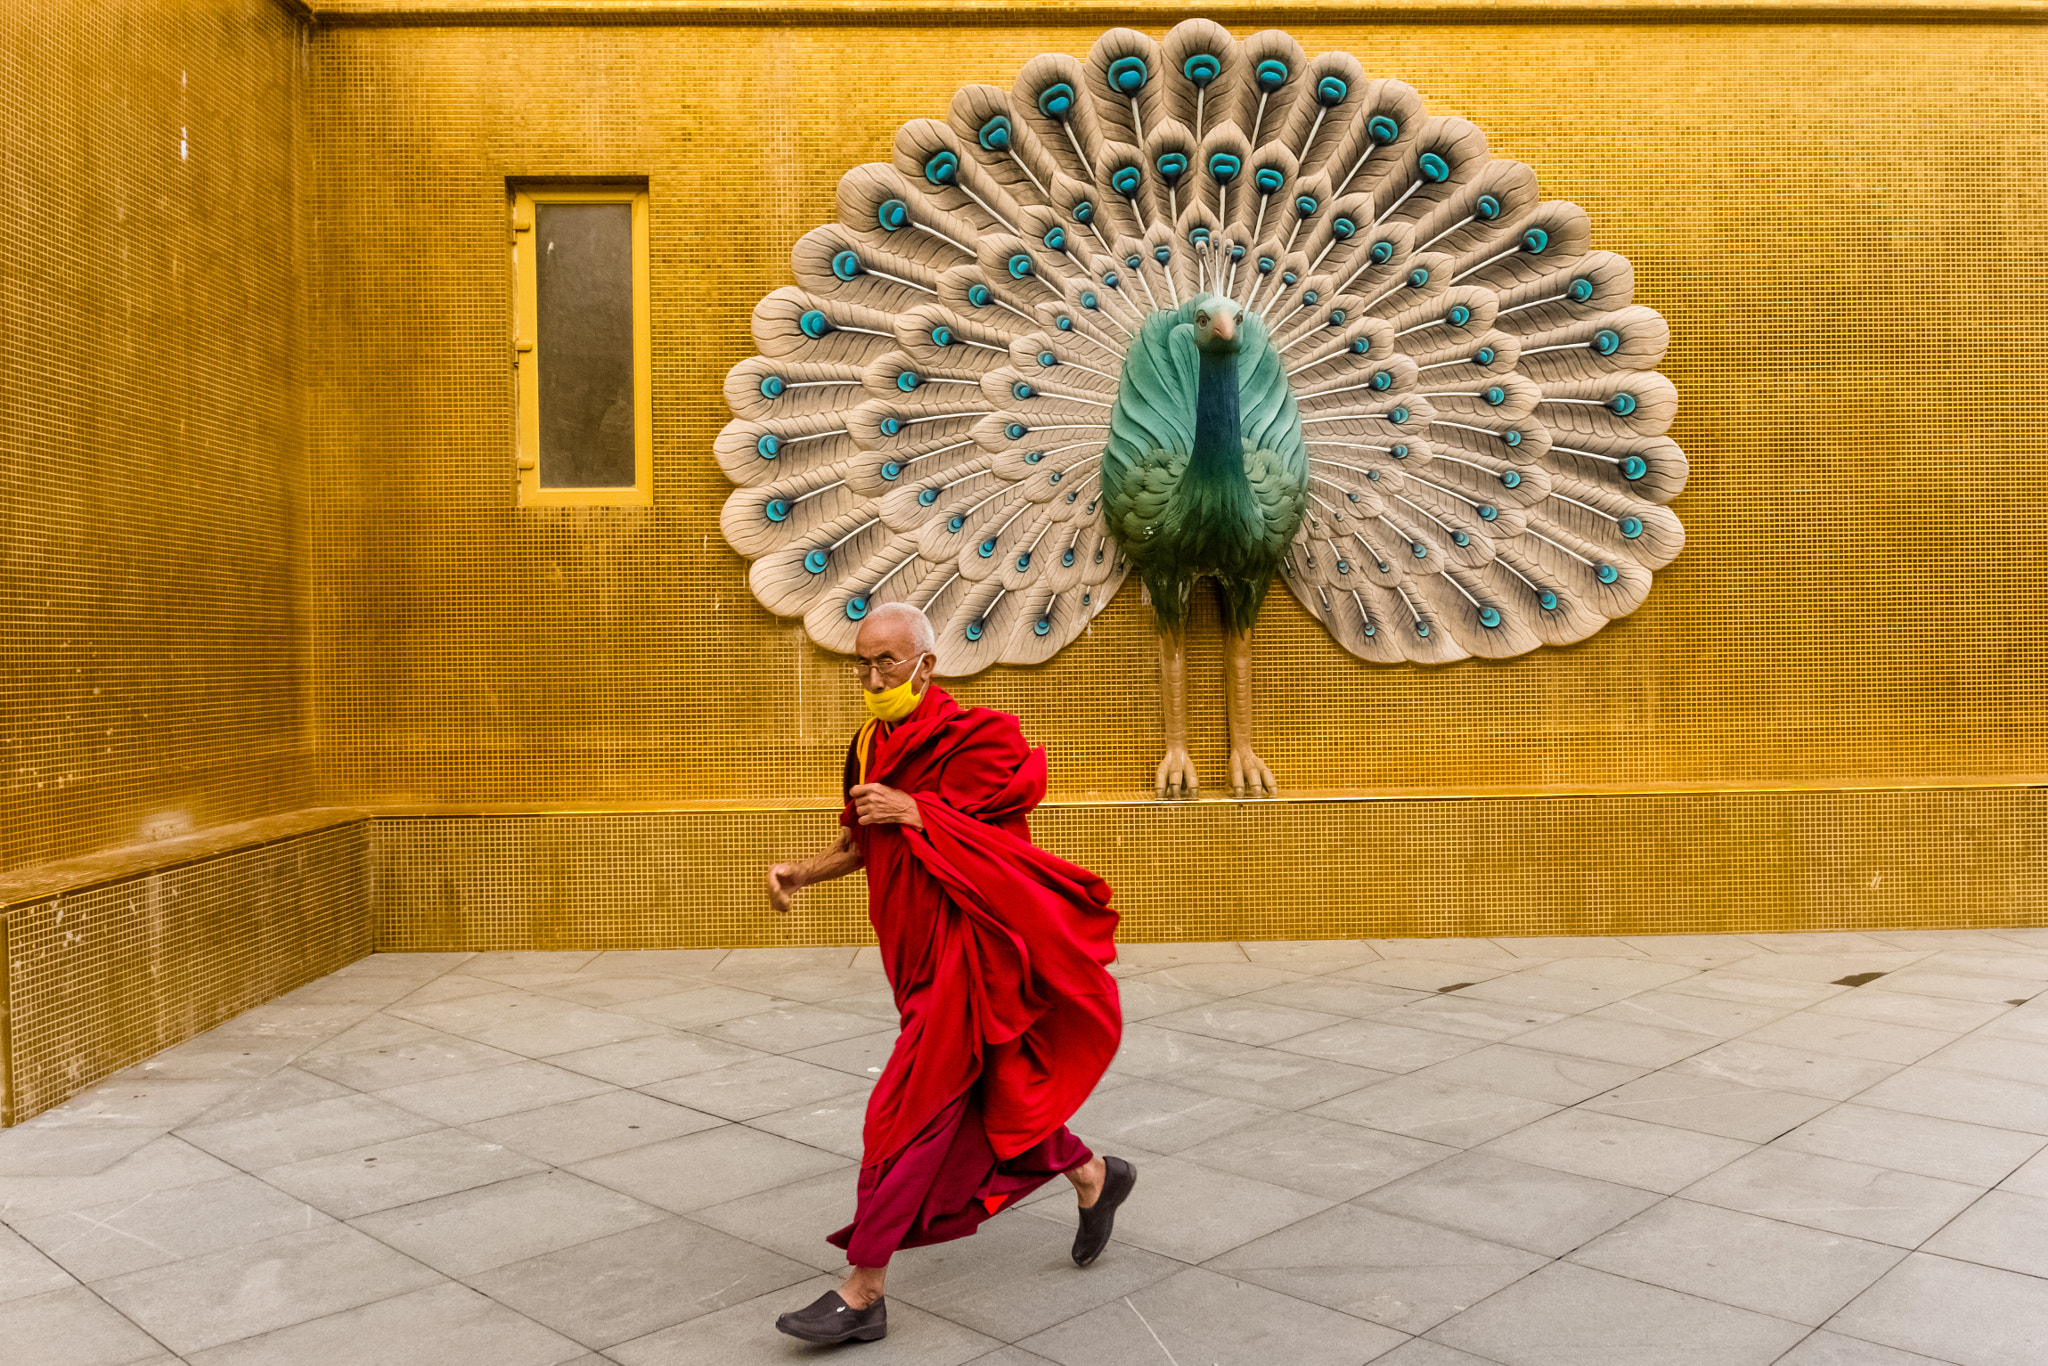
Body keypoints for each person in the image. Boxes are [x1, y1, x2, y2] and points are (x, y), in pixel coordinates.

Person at [764, 601, 1135, 1346]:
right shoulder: (867, 742)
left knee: (907, 1113)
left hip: (973, 956)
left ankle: (864, 1289)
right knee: (992, 1093)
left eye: (886, 663)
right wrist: (803, 872)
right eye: (861, 664)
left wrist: (918, 811)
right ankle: (1093, 1173)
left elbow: (999, 835)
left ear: (926, 665)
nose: (871, 678)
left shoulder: (979, 738)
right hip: (911, 956)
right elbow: (862, 842)